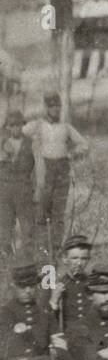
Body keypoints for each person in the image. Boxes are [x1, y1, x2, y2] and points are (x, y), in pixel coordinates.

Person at [25, 92, 89, 251]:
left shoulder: (65, 127)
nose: (55, 110)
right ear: (45, 107)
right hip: (43, 170)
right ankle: (40, 247)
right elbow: (18, 135)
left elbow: (84, 145)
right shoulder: (37, 125)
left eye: (58, 106)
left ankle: (56, 247)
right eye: (52, 106)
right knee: (41, 210)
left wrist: (72, 153)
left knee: (58, 211)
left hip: (62, 168)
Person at [0, 109, 34, 255]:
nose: (15, 128)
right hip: (5, 190)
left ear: (22, 125)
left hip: (24, 188)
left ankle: (27, 260)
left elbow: (37, 167)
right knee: (5, 227)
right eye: (11, 125)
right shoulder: (2, 144)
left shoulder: (30, 143)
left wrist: (38, 189)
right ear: (7, 127)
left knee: (27, 227)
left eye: (18, 124)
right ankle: (7, 260)